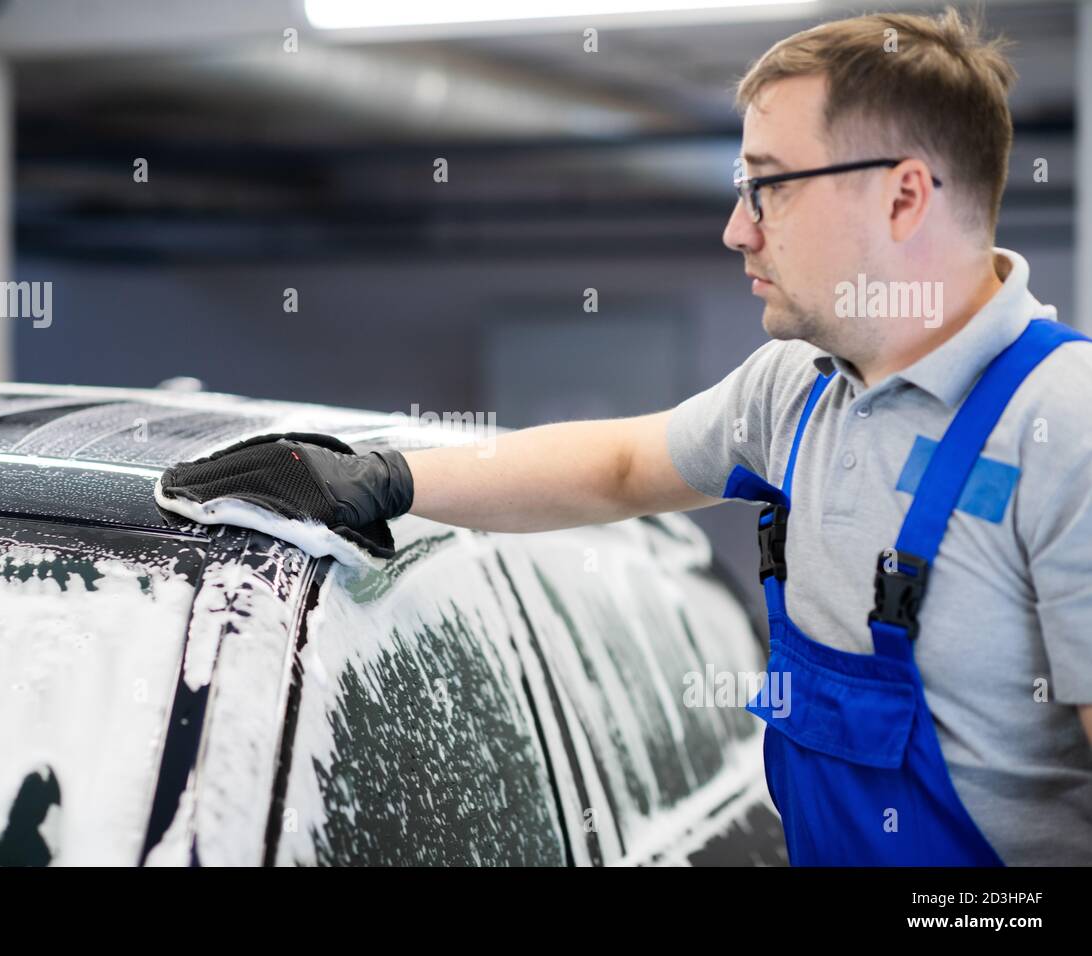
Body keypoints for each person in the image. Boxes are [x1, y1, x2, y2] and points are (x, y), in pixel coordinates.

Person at [158, 9, 1092, 866]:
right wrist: (387, 480)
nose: (738, 230)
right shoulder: (797, 392)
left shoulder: (1065, 429)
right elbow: (618, 467)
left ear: (903, 198)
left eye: (768, 187)